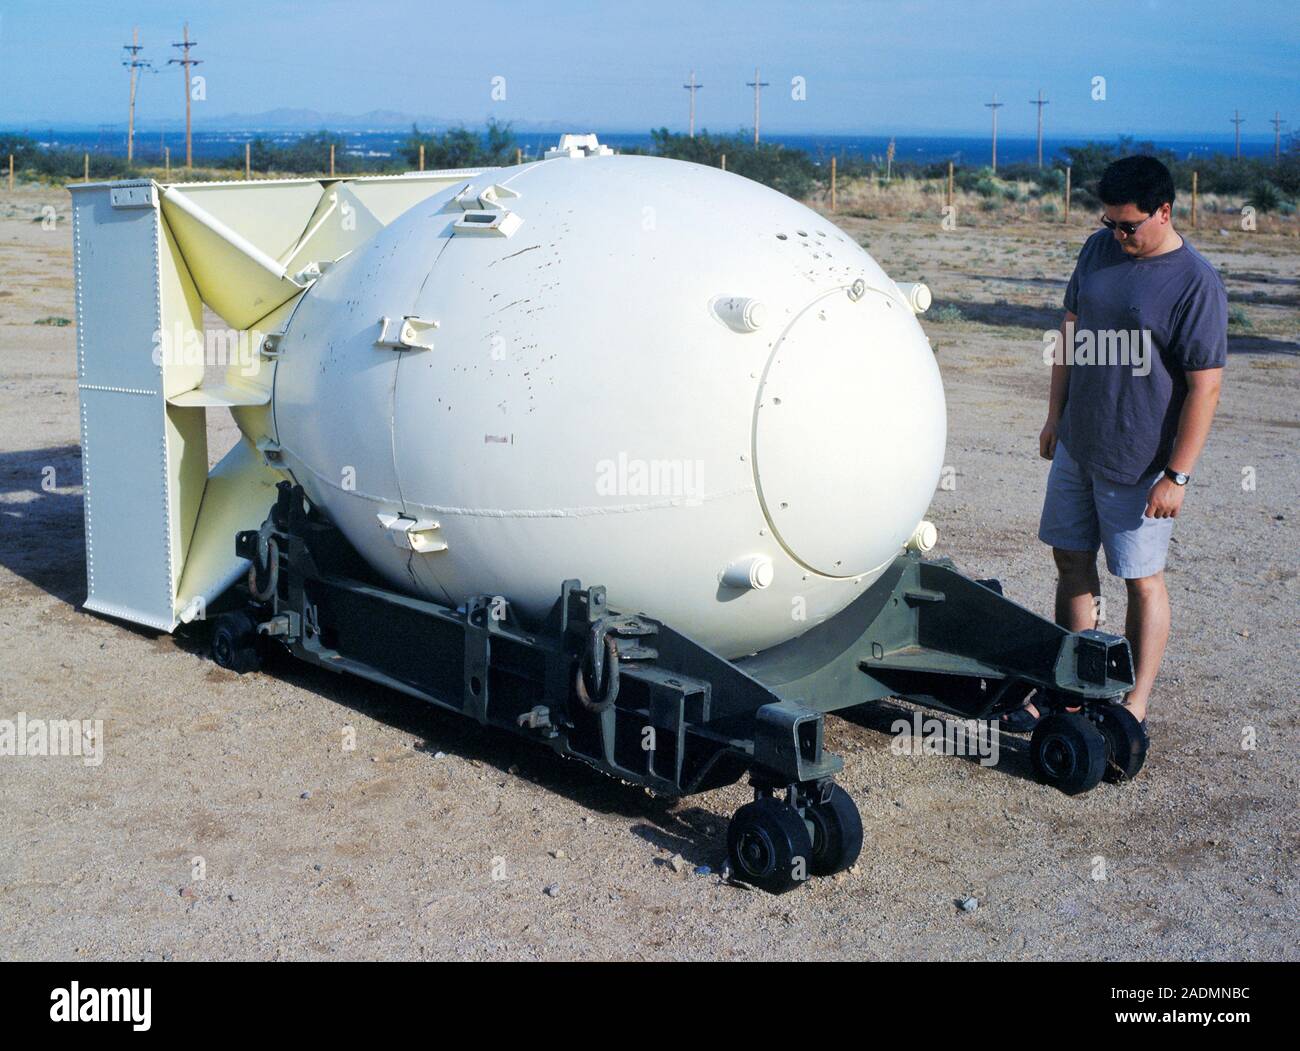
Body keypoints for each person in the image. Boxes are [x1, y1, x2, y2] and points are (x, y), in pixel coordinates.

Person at [1004, 155, 1226, 734]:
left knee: (1140, 577)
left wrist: (1177, 475)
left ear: (1164, 211)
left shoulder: (1195, 282)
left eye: (1128, 225)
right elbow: (1070, 333)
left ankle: (1133, 704)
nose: (1118, 235)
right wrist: (1055, 416)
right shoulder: (1098, 250)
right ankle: (1072, 688)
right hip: (1080, 442)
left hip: (1140, 462)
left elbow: (1206, 386)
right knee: (1071, 559)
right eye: (1109, 223)